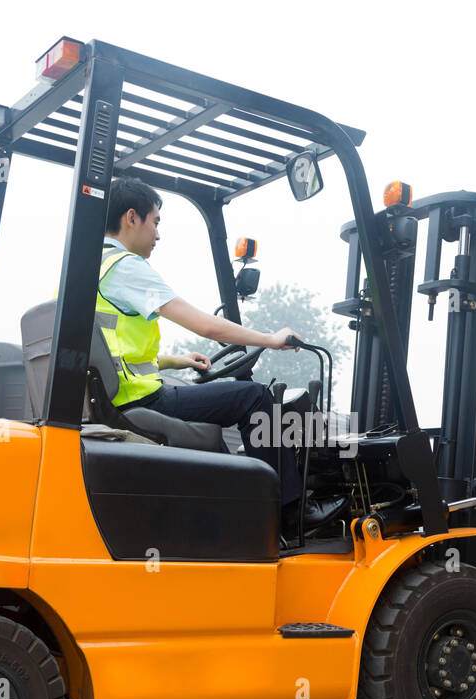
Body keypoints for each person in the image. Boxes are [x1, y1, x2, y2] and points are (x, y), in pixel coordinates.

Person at [95, 177, 345, 532]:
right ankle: (291, 512)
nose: (158, 234)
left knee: (221, 416)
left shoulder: (90, 269)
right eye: (155, 222)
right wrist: (271, 340)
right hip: (141, 402)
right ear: (131, 218)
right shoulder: (125, 267)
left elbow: (113, 354)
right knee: (254, 397)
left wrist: (174, 361)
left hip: (116, 399)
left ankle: (234, 514)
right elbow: (207, 326)